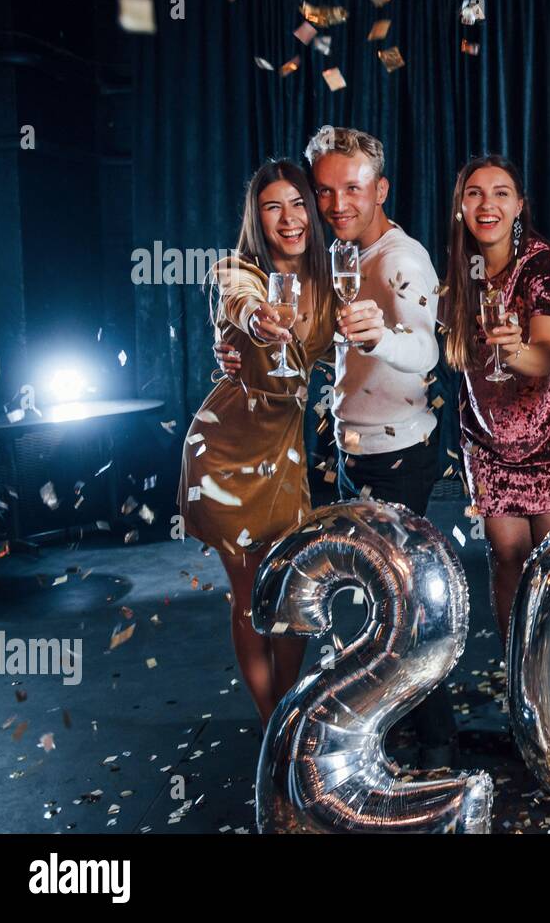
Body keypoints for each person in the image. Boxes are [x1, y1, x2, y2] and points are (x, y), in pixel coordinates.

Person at [217, 127, 456, 767]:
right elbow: (250, 306)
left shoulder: (401, 259)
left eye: (351, 188)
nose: (334, 203)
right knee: (367, 601)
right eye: (322, 190)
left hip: (396, 456)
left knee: (403, 605)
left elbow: (426, 351)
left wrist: (381, 337)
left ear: (380, 188)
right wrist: (242, 340)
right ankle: (381, 725)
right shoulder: (338, 260)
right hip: (337, 454)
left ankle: (436, 742)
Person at [177, 158, 384, 727]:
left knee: (292, 593)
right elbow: (241, 302)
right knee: (248, 593)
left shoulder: (332, 275)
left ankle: (287, 714)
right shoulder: (234, 271)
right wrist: (258, 318)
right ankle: (274, 730)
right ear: (256, 217)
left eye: (297, 203)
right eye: (273, 206)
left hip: (286, 453)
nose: (288, 217)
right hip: (226, 450)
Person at [439, 154, 550, 643]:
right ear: (461, 206)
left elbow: (548, 358)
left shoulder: (541, 262)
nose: (488, 204)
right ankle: (518, 672)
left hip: (548, 438)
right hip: (487, 439)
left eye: (501, 193)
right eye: (475, 193)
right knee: (506, 556)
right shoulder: (460, 264)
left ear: (519, 205)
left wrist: (515, 348)